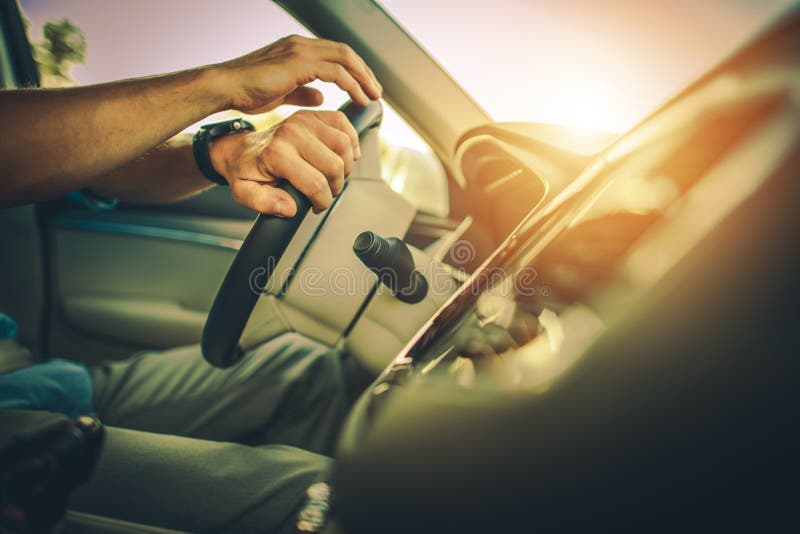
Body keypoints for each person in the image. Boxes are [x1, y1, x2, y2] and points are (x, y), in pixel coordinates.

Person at [0, 34, 382, 533]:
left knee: (311, 372)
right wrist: (220, 83)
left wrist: (222, 152)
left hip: (30, 381)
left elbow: (85, 167)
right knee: (322, 501)